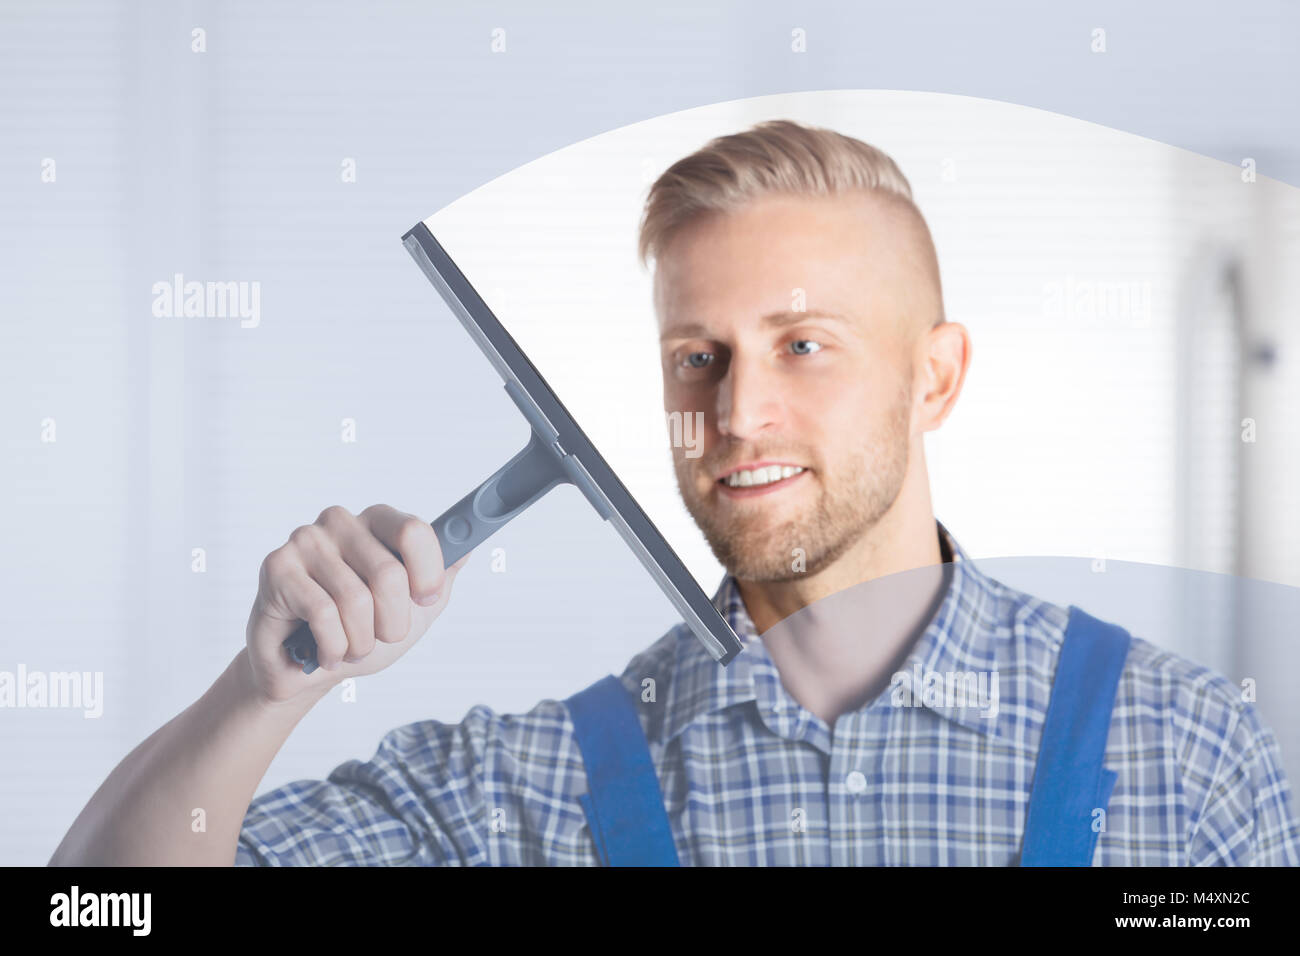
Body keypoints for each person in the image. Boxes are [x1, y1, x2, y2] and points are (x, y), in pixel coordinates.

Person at [50, 120, 1300, 866]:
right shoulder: (523, 789)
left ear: (936, 373)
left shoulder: (1176, 750)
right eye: (695, 357)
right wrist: (266, 691)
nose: (740, 409)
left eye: (804, 344)